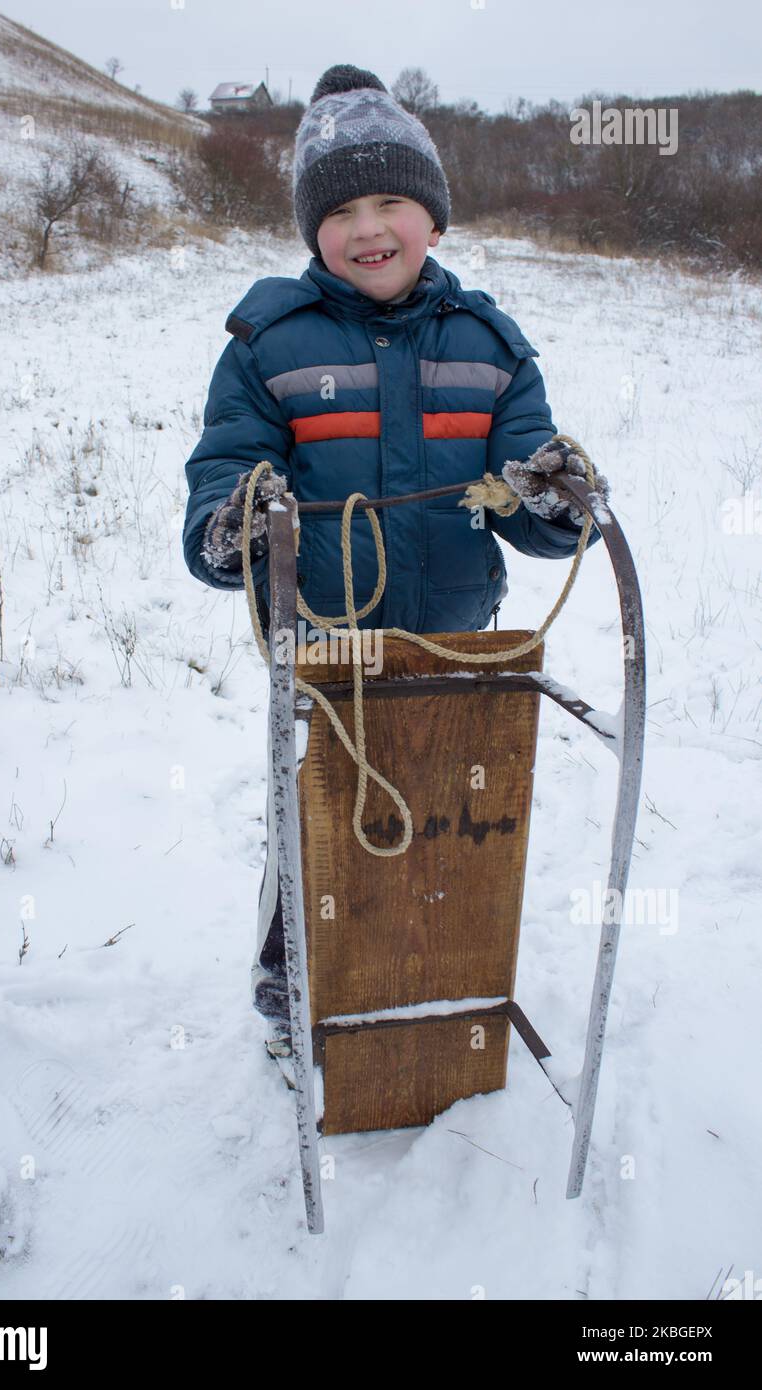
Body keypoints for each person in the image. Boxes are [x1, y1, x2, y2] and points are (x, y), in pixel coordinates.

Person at [182, 63, 610, 1045]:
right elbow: (227, 463)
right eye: (340, 211)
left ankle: (429, 969)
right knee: (318, 812)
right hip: (324, 648)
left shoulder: (488, 345)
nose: (367, 229)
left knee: (442, 812)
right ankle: (292, 982)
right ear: (312, 231)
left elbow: (520, 484)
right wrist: (235, 518)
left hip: (452, 645)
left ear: (433, 219)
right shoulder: (270, 345)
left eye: (390, 203)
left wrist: (552, 495)